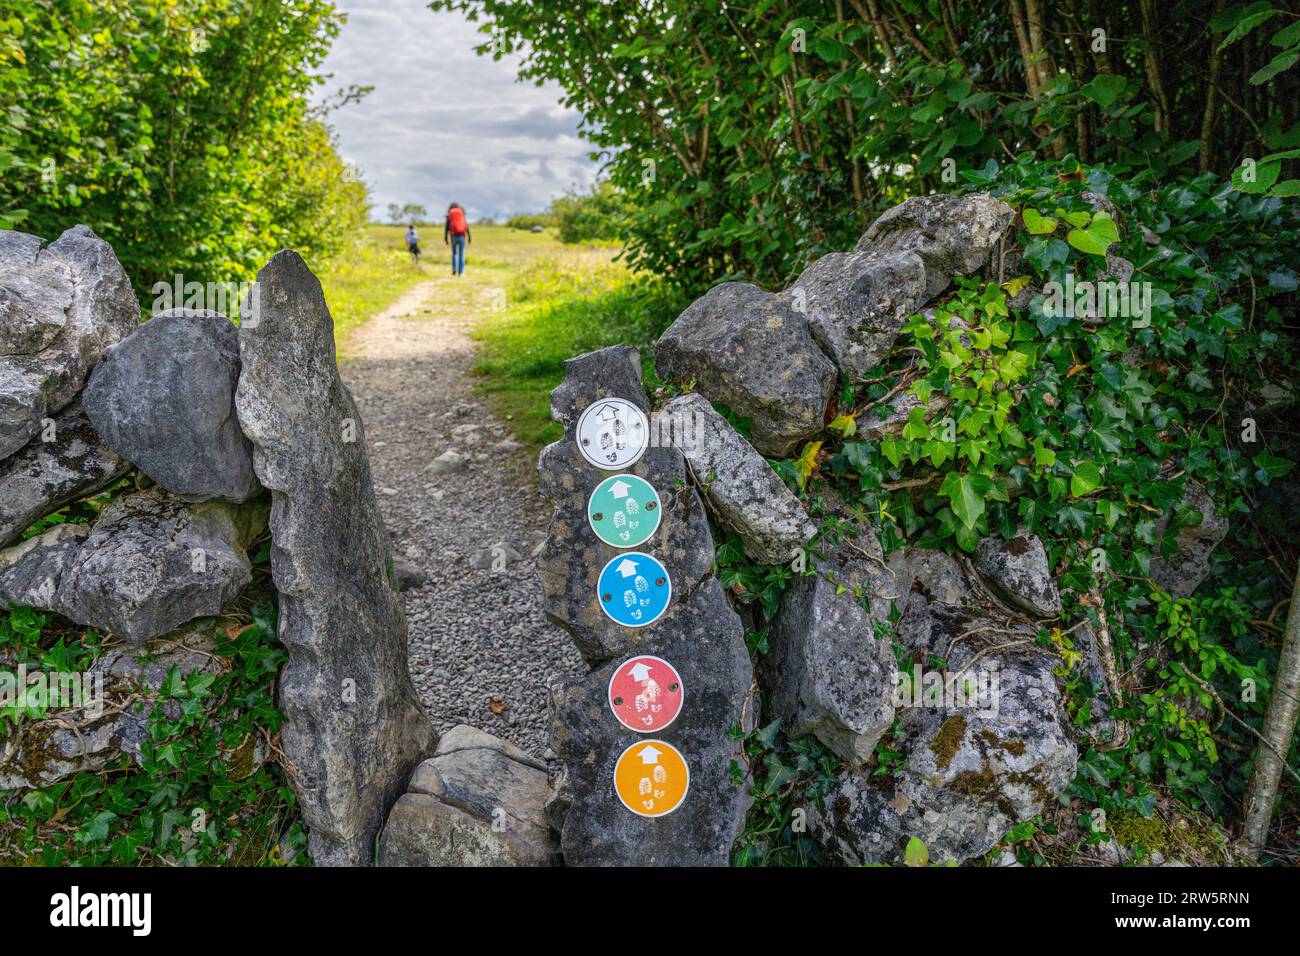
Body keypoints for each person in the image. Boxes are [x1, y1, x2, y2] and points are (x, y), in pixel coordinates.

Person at [444, 202, 471, 275]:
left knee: (454, 253)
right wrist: (469, 237)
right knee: (461, 254)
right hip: (462, 235)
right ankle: (461, 272)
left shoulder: (450, 214)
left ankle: (454, 269)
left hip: (453, 235)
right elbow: (466, 225)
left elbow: (447, 227)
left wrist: (446, 238)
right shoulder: (461, 213)